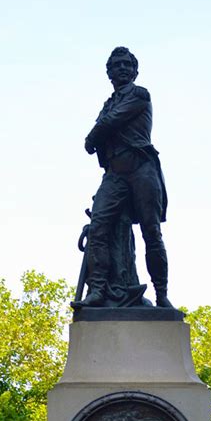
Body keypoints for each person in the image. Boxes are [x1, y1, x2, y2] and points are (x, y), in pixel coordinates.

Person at [81, 46, 172, 308]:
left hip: (141, 168)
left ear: (135, 70)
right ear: (109, 73)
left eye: (126, 64)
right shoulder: (108, 103)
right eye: (116, 65)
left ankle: (161, 294)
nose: (122, 68)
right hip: (115, 173)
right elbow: (106, 120)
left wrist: (92, 137)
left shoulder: (139, 95)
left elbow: (110, 122)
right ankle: (97, 289)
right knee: (98, 227)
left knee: (151, 232)